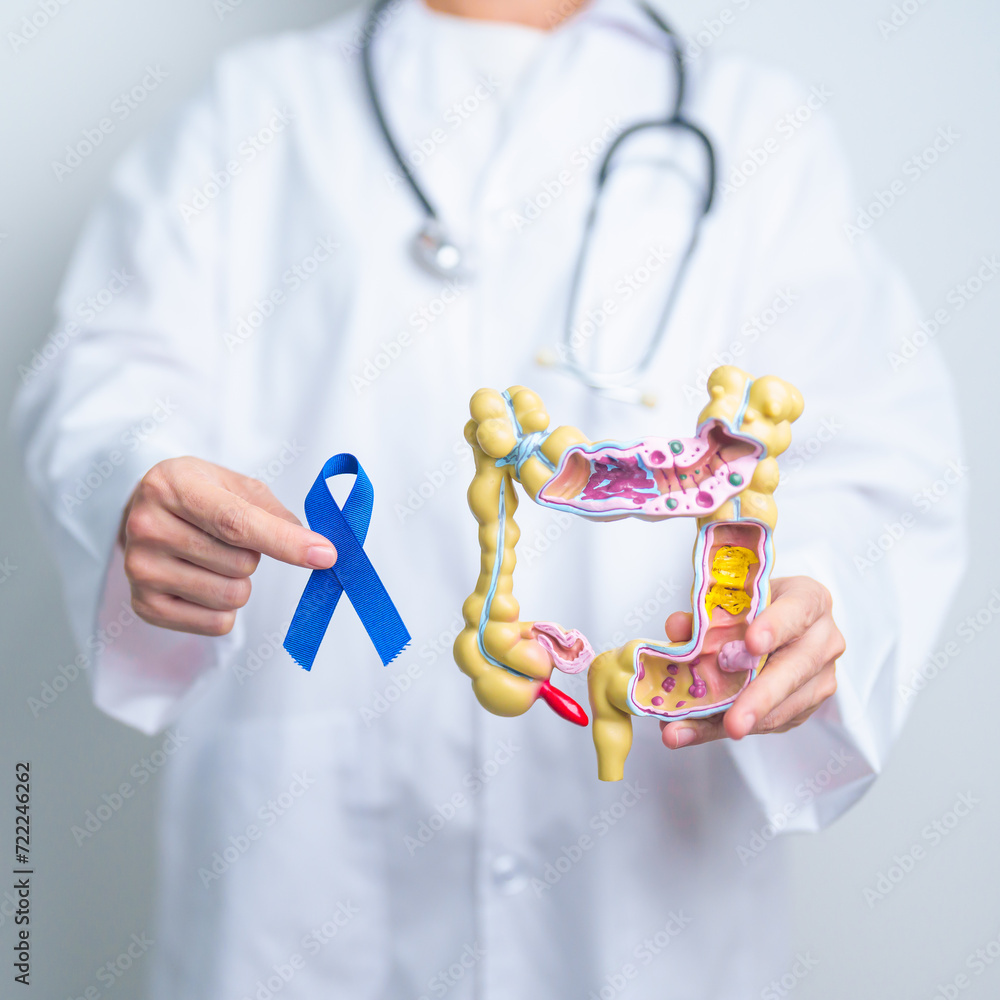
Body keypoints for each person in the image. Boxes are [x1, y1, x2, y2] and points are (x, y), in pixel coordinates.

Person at [13, 0, 964, 996]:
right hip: (298, 885)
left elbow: (876, 462)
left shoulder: (761, 132)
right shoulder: (255, 111)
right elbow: (103, 379)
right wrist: (134, 484)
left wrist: (817, 602)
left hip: (648, 893)